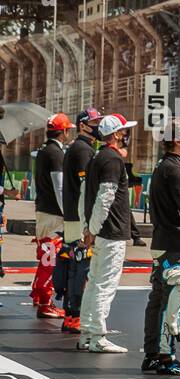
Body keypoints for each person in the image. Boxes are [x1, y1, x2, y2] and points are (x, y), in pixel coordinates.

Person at [141, 118, 180, 377]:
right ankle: (165, 355)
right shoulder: (175, 170)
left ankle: (154, 353)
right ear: (177, 140)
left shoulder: (165, 167)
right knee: (170, 300)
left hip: (163, 242)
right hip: (175, 245)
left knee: (158, 299)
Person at [78, 114, 135, 354]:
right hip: (111, 231)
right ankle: (98, 335)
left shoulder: (96, 158)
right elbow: (106, 197)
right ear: (115, 134)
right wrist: (92, 228)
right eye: (123, 131)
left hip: (100, 230)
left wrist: (87, 227)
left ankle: (87, 331)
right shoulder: (112, 160)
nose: (126, 135)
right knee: (105, 284)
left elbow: (84, 196)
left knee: (94, 282)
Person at [56, 109, 101, 335]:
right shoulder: (83, 150)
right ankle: (73, 315)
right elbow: (86, 188)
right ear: (83, 125)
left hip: (74, 215)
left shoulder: (80, 147)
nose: (98, 126)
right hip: (78, 217)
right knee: (80, 266)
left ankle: (71, 313)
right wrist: (88, 222)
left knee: (76, 265)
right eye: (94, 122)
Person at [31, 113, 71, 319]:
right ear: (63, 131)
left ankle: (40, 296)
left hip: (44, 210)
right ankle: (45, 303)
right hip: (53, 214)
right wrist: (68, 213)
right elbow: (60, 186)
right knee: (50, 258)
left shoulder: (44, 151)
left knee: (46, 255)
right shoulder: (55, 153)